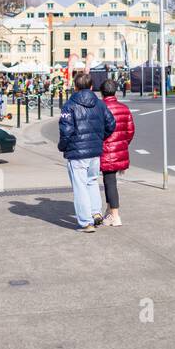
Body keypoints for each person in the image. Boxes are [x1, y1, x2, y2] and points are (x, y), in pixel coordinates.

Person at [59, 71, 116, 233]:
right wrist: (100, 138)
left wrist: (63, 146)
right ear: (91, 86)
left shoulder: (69, 105)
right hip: (95, 151)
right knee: (91, 181)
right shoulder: (100, 104)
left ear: (75, 87)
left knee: (80, 186)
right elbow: (111, 124)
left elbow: (66, 131)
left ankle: (86, 222)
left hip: (76, 152)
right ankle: (95, 212)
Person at [98, 78, 135, 227]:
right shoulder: (124, 108)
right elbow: (130, 131)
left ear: (102, 93)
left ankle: (115, 215)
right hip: (119, 150)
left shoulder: (100, 108)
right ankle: (109, 211)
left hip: (105, 151)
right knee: (109, 182)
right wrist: (123, 145)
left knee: (109, 182)